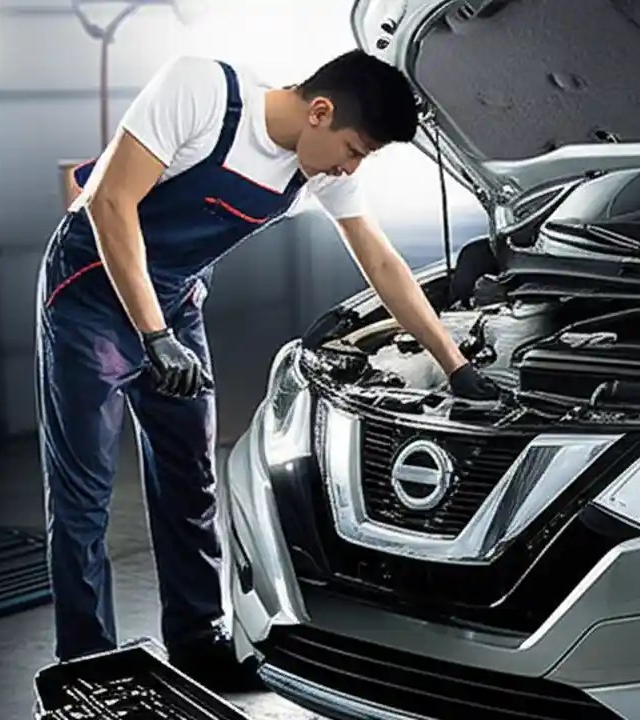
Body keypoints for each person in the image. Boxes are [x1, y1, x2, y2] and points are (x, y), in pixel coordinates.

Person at [35, 50, 498, 687]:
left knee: (189, 478)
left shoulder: (320, 167)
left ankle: (198, 640)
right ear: (320, 112)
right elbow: (111, 202)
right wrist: (154, 335)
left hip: (171, 300)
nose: (350, 168)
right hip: (89, 294)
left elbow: (382, 263)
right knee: (84, 495)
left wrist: (455, 366)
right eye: (354, 151)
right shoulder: (201, 91)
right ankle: (87, 662)